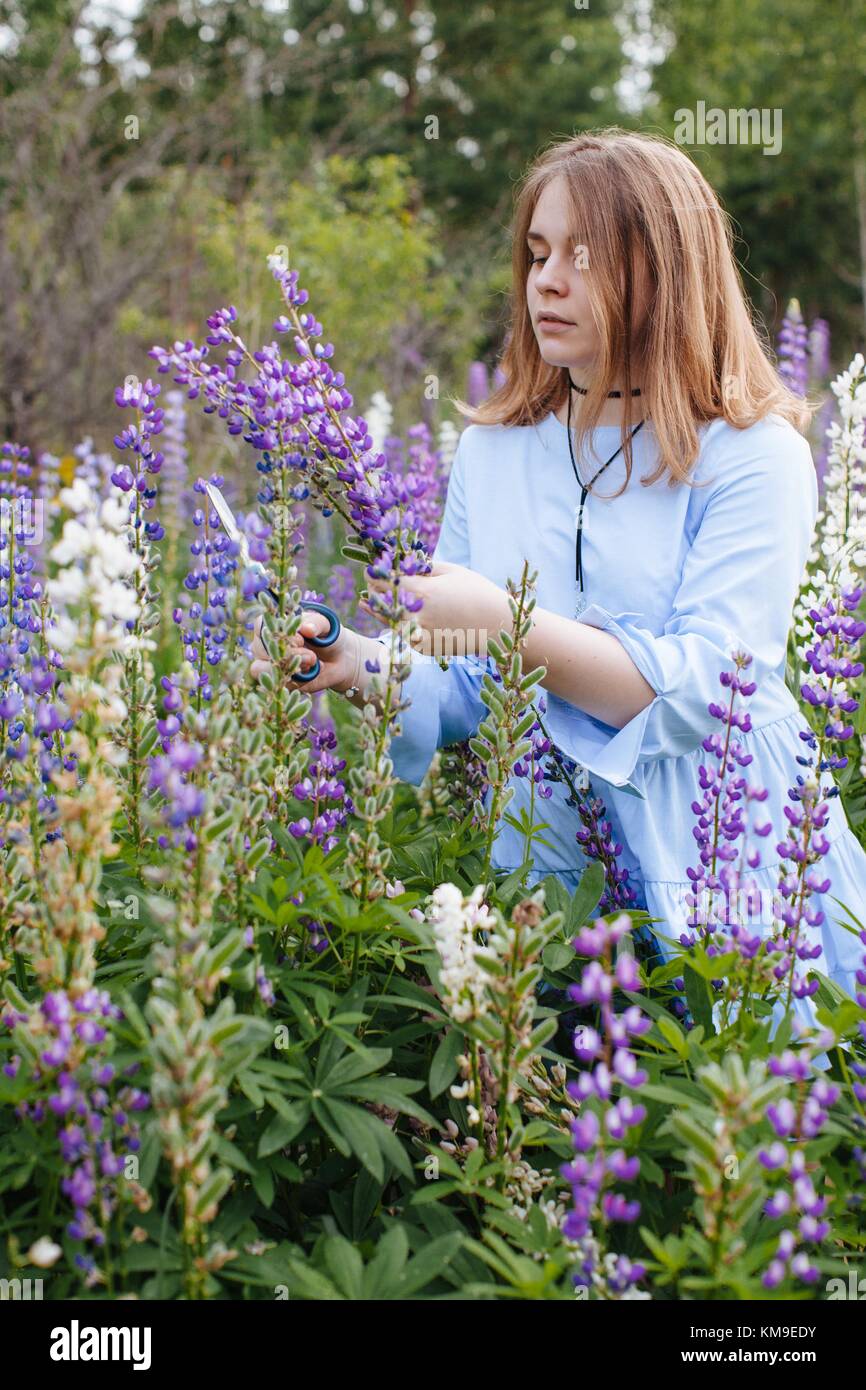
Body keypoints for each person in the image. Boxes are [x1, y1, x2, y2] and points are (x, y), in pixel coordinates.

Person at [251, 129, 866, 1035]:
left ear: (668, 271)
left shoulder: (754, 454)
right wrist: (357, 661)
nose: (546, 280)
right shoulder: (495, 449)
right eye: (537, 254)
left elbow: (705, 690)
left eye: (583, 257)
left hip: (728, 854)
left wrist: (505, 618)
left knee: (739, 1137)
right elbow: (469, 683)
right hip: (551, 865)